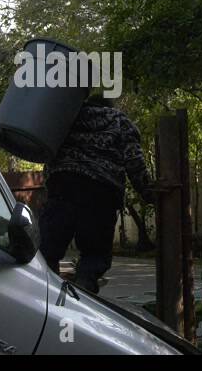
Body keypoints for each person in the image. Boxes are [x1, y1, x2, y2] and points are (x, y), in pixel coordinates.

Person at [39, 94, 157, 294]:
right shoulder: (120, 121)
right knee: (94, 255)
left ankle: (45, 295)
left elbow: (44, 148)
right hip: (100, 193)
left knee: (47, 252)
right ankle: (83, 291)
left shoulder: (65, 118)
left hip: (63, 187)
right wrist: (148, 192)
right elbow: (134, 162)